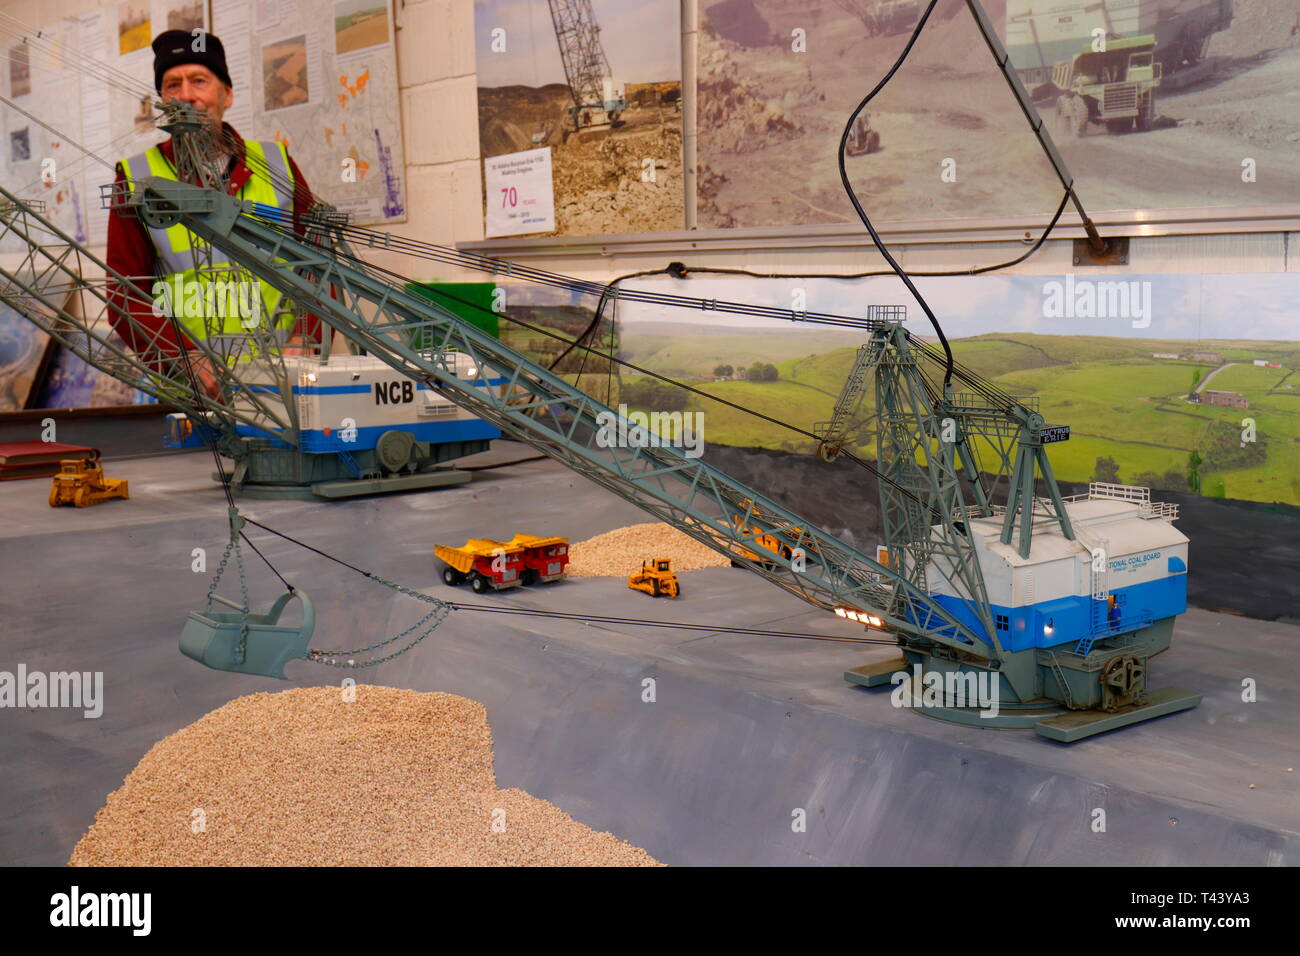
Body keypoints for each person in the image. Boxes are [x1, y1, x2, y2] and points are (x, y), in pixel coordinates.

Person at [106, 28, 321, 399]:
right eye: (172, 85)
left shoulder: (278, 164)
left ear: (227, 95)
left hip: (288, 384)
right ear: (161, 99)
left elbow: (320, 264)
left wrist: (307, 337)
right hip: (190, 392)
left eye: (199, 81)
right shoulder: (135, 178)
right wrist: (184, 357)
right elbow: (124, 295)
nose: (186, 95)